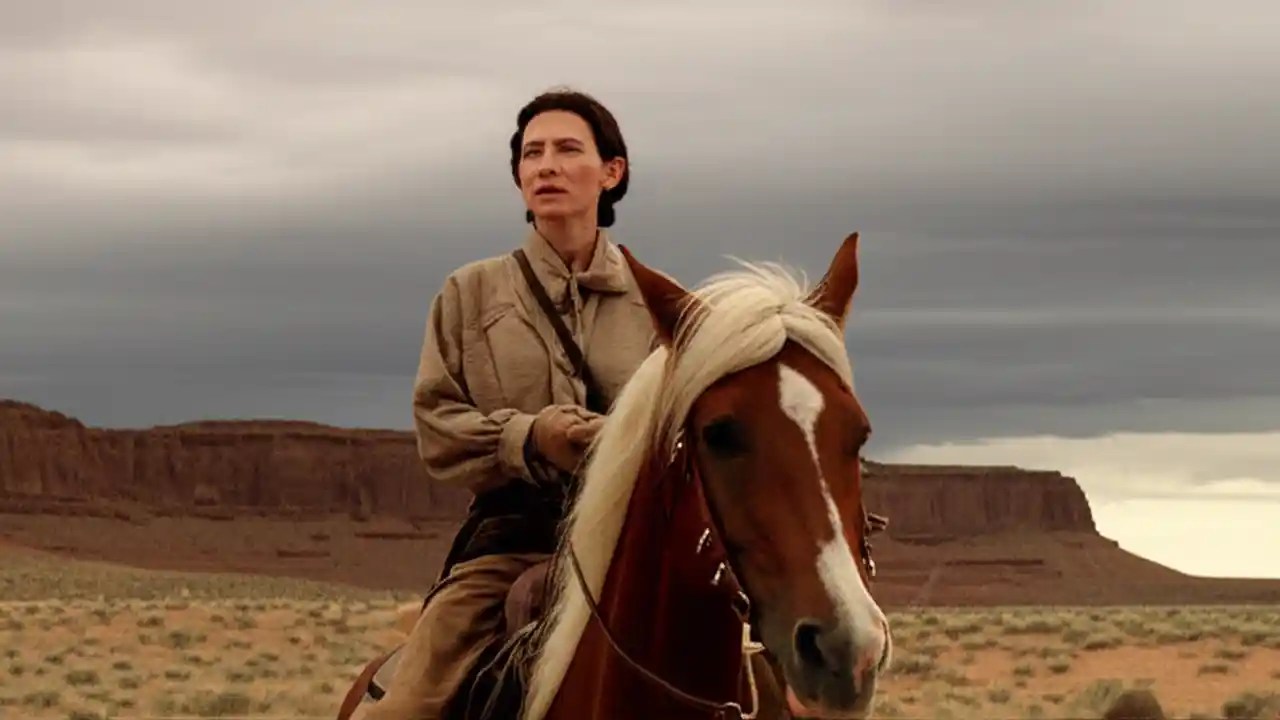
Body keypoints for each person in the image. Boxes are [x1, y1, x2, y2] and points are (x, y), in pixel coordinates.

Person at [357, 88, 659, 720]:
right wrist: (528, 438)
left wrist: (622, 441)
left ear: (612, 172)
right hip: (512, 541)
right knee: (399, 711)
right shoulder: (470, 293)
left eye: (567, 149)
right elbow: (437, 425)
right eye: (531, 153)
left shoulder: (660, 302)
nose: (545, 165)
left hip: (639, 544)